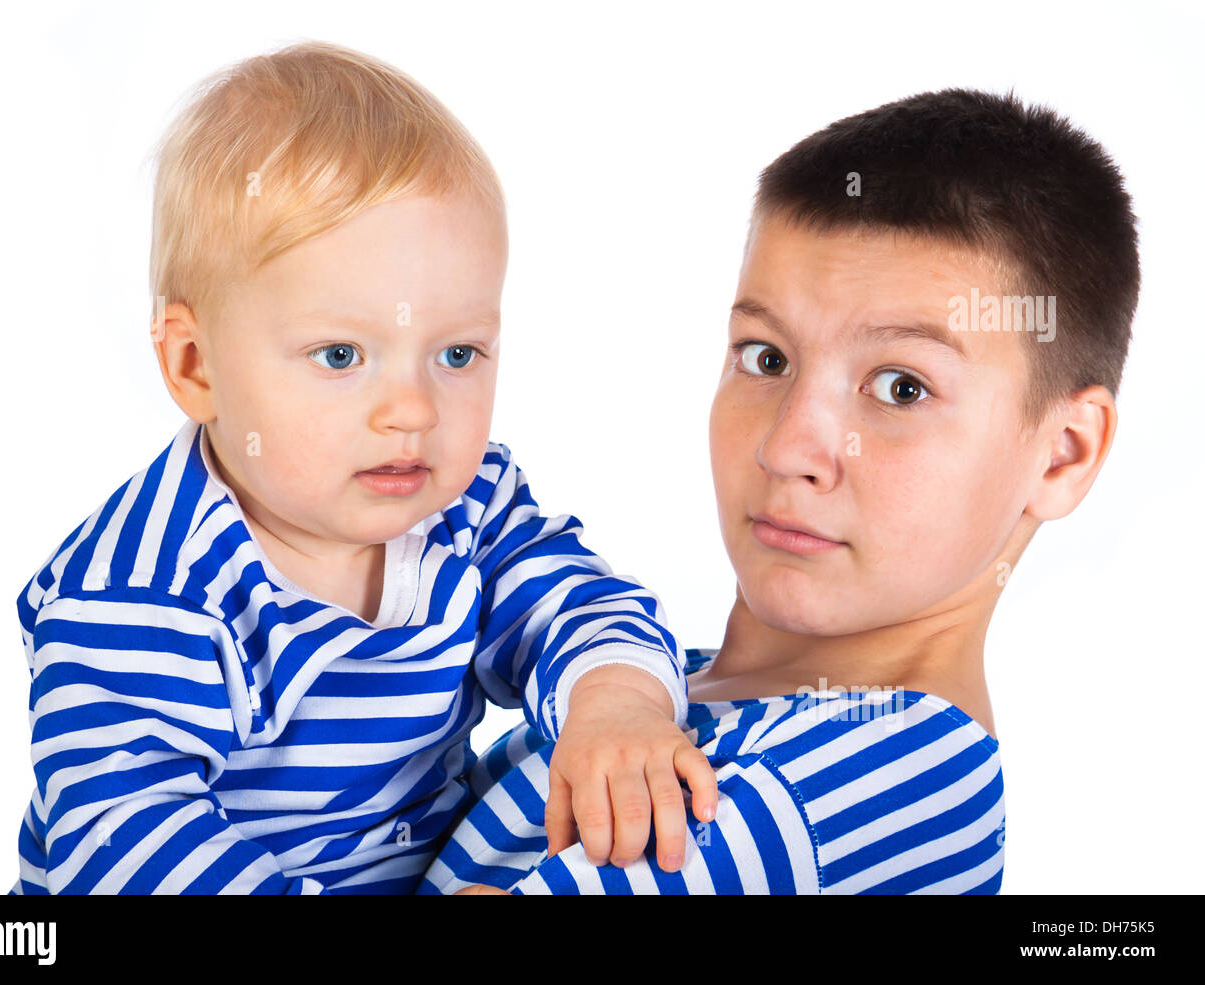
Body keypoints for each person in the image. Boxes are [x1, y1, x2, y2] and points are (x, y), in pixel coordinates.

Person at [8, 40, 719, 895]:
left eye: (457, 353)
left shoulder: (467, 505)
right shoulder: (144, 593)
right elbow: (131, 850)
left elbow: (576, 597)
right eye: (341, 354)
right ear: (196, 366)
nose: (412, 409)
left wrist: (615, 698)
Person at [421, 88, 1139, 894]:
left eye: (902, 387)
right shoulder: (645, 681)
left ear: (1062, 455)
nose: (789, 445)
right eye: (766, 357)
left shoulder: (899, 778)